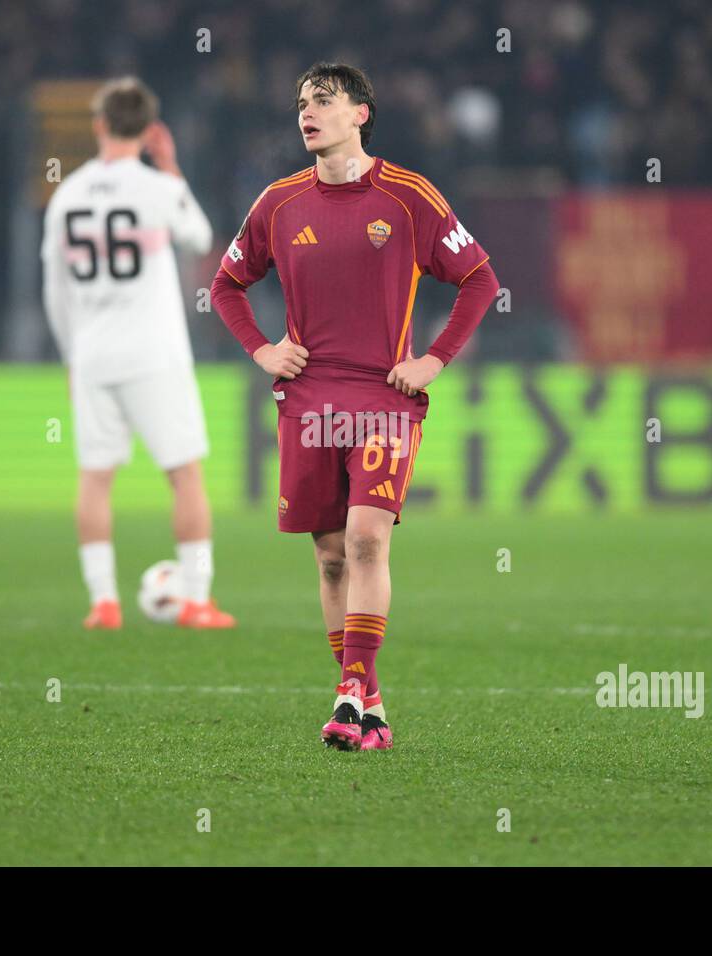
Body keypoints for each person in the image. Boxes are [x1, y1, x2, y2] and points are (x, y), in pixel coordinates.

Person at [211, 63, 499, 749]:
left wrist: (431, 360)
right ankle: (368, 709)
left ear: (361, 113)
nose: (307, 113)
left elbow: (479, 279)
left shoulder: (408, 196)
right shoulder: (277, 204)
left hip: (383, 397)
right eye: (301, 103)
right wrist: (261, 350)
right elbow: (226, 285)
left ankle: (348, 692)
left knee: (369, 536)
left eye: (324, 101)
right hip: (308, 400)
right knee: (332, 556)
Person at [42, 77, 235, 630]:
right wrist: (171, 167)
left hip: (93, 353)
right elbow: (199, 238)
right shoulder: (156, 187)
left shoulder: (68, 195)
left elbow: (55, 292)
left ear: (99, 125)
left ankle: (103, 603)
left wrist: (70, 357)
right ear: (150, 129)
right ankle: (196, 600)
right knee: (185, 475)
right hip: (154, 351)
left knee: (95, 477)